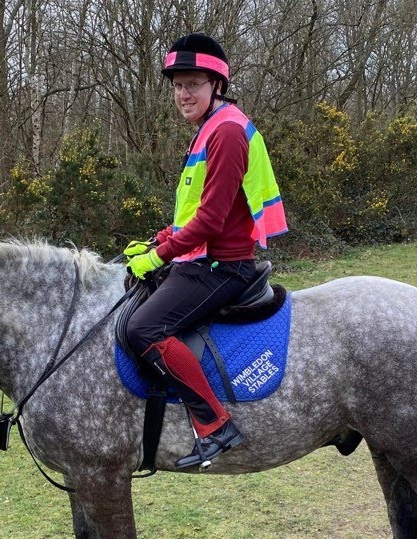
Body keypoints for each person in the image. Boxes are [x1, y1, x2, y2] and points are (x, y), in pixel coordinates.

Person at [124, 32, 287, 470]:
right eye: (177, 85)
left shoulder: (228, 133)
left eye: (193, 83)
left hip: (220, 266)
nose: (183, 93)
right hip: (201, 257)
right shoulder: (208, 130)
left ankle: (215, 426)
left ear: (216, 85)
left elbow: (211, 222)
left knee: (143, 329)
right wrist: (160, 239)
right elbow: (192, 213)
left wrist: (160, 256)